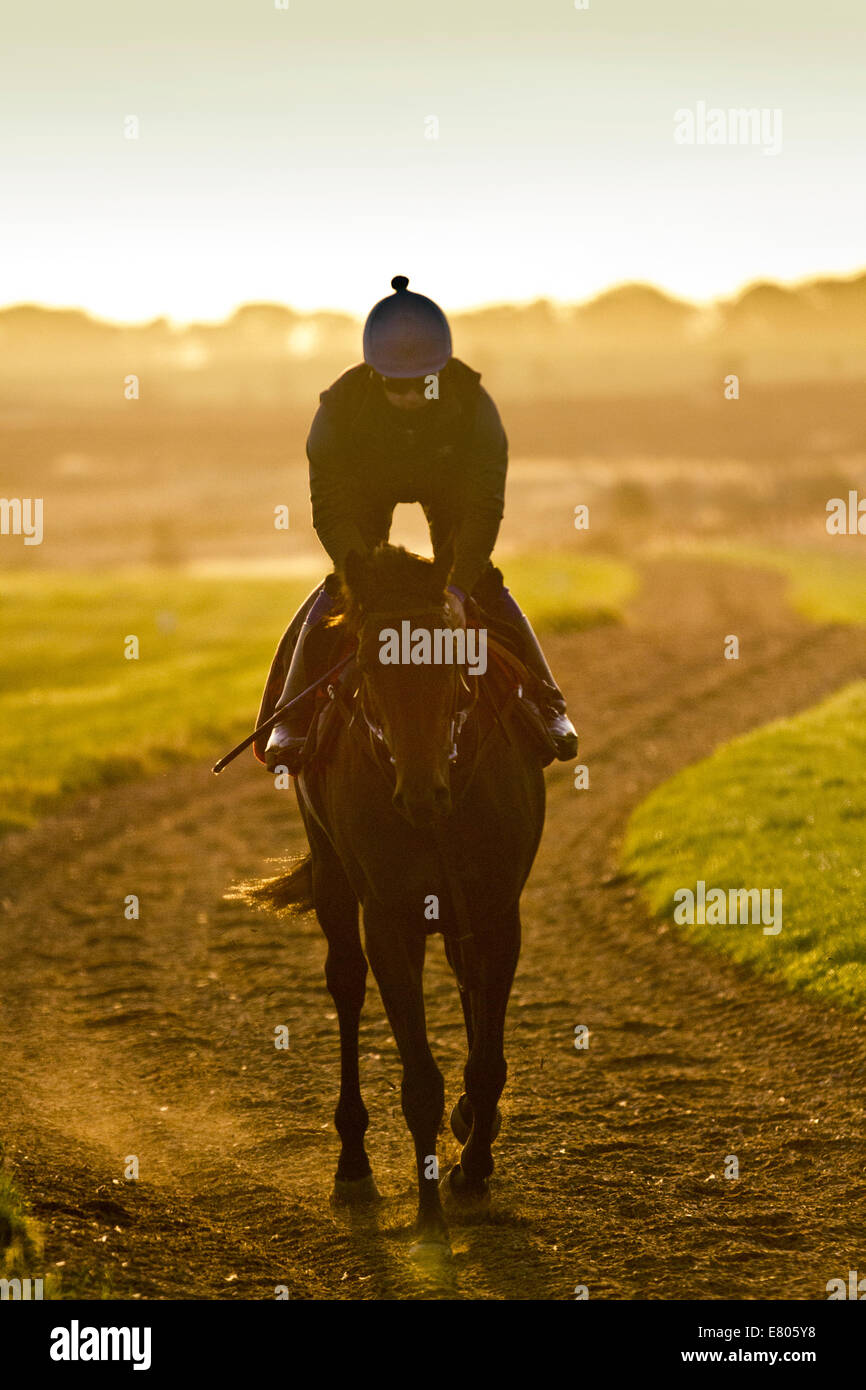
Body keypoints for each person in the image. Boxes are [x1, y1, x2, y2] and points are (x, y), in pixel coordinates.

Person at [259, 275, 578, 772]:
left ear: (442, 370)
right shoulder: (337, 411)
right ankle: (292, 717)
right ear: (373, 374)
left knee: (484, 585)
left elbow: (482, 509)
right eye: (395, 385)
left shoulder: (475, 408)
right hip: (366, 488)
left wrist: (454, 591)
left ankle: (549, 702)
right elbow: (332, 509)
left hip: (449, 485)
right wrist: (359, 580)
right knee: (341, 588)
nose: (409, 396)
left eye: (420, 384)